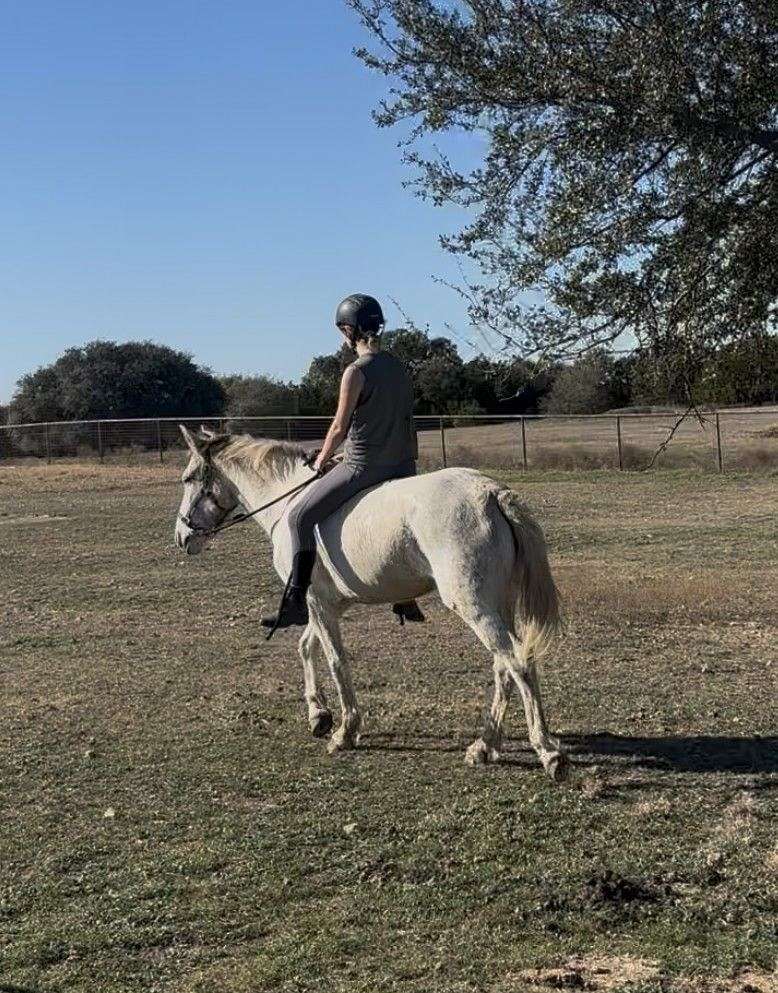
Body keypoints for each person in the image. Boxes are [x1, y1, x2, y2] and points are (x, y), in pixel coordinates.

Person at [261, 293, 424, 631]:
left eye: (341, 331)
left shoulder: (355, 372)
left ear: (349, 330)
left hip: (364, 466)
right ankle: (405, 596)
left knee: (299, 518)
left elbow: (339, 426)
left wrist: (322, 458)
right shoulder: (400, 368)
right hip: (405, 465)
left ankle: (295, 603)